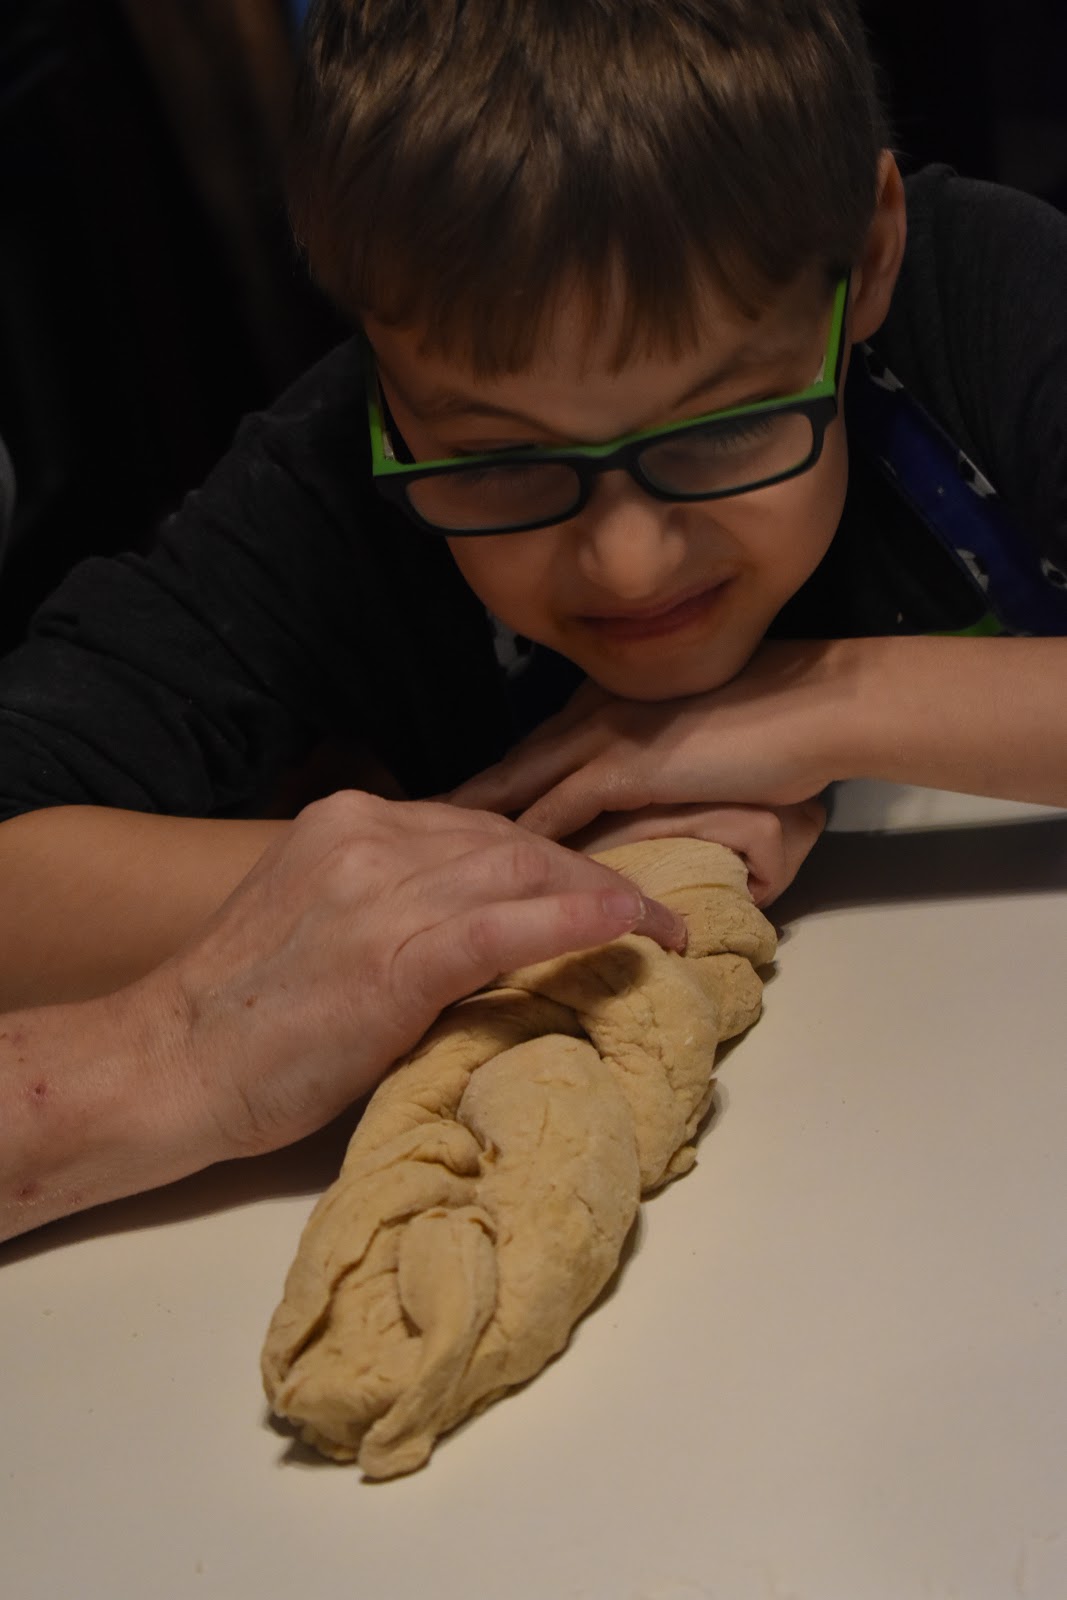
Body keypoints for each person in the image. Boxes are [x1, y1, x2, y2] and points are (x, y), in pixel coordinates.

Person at [1, 0, 1065, 1244]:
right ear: (383, 358)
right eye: (498, 463)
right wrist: (486, 875)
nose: (625, 560)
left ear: (867, 252)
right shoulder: (330, 486)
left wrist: (815, 703)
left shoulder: (974, 294)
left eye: (722, 427)